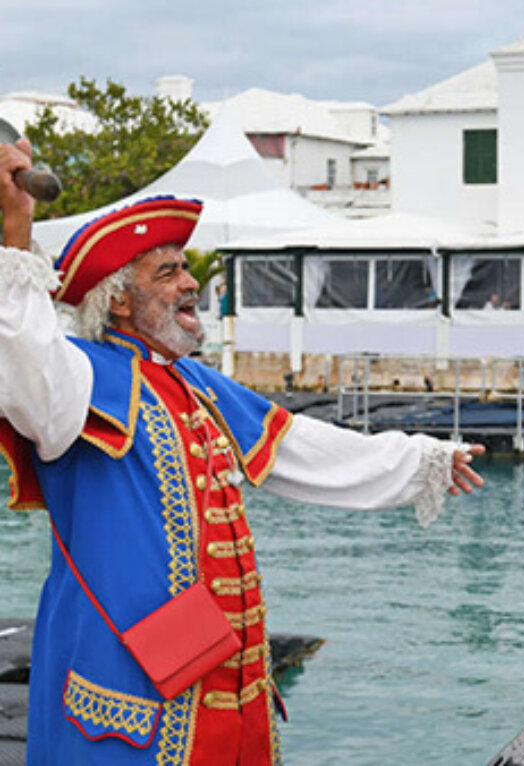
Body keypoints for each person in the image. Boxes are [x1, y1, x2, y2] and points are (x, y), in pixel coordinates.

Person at [0, 138, 485, 765]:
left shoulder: (195, 383)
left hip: (222, 687)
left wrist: (419, 460)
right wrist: (16, 235)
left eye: (184, 266)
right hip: (128, 695)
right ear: (118, 300)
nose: (190, 281)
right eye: (167, 272)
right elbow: (26, 363)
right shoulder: (81, 375)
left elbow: (297, 445)